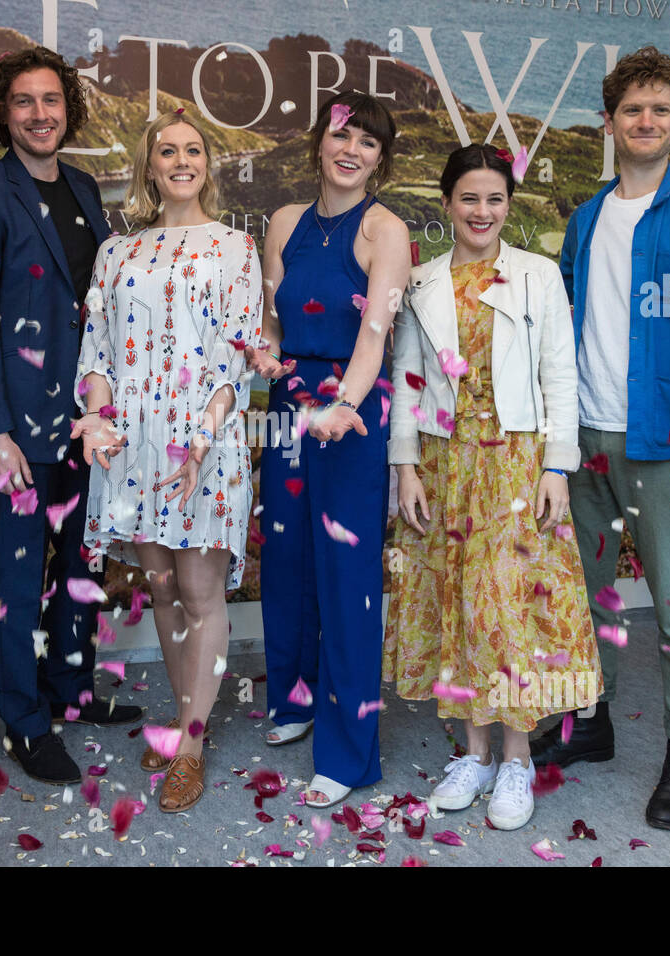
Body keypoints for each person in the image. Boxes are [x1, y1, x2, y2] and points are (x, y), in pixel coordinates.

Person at [535, 45, 670, 829]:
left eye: (660, 109)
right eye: (633, 109)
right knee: (586, 595)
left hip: (662, 444)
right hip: (585, 440)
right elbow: (561, 335)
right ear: (611, 121)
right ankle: (590, 721)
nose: (646, 120)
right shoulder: (585, 220)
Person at [382, 144, 601, 830]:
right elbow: (409, 380)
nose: (482, 211)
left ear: (510, 205)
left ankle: (515, 761)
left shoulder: (536, 275)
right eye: (469, 198)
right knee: (456, 604)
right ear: (447, 204)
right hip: (445, 464)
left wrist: (557, 467)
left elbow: (561, 376)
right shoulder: (421, 281)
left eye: (495, 199)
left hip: (515, 461)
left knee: (511, 611)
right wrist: (406, 465)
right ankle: (472, 753)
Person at [0, 47, 141, 787]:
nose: (39, 114)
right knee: (20, 576)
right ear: (4, 113)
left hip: (85, 423)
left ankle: (71, 690)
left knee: (80, 563)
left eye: (51, 100)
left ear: (69, 110)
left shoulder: (86, 188)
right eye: (24, 101)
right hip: (19, 430)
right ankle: (25, 721)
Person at [73, 111, 261, 813]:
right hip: (135, 444)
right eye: (166, 151)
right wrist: (96, 415)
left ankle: (191, 741)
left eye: (193, 150)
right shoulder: (115, 253)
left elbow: (232, 361)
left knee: (201, 591)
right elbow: (98, 350)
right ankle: (190, 712)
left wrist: (202, 442)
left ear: (208, 163)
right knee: (161, 588)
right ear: (149, 166)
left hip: (203, 444)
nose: (181, 161)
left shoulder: (235, 247)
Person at [247, 92, 411, 809]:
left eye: (370, 144)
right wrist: (266, 353)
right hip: (289, 404)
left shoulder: (386, 230)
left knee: (347, 579)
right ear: (319, 142)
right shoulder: (283, 221)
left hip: (351, 406)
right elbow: (272, 321)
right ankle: (296, 699)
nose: (353, 151)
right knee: (285, 560)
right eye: (344, 136)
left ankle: (348, 752)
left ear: (381, 160)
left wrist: (346, 403)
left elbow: (376, 334)